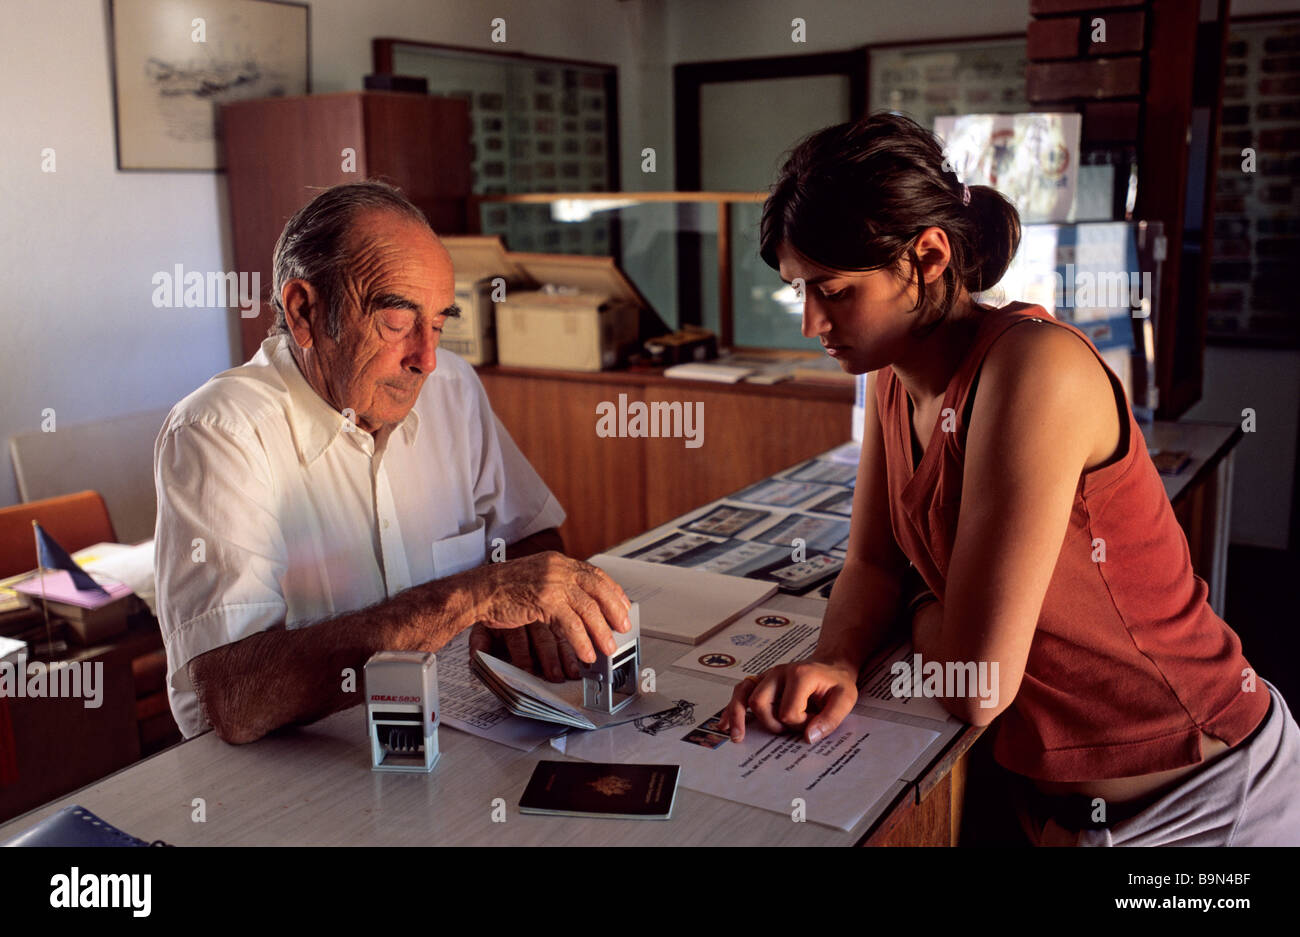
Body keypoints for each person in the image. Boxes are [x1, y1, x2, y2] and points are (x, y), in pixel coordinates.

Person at [718, 113, 1300, 846]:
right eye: (797, 291)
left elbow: (976, 685)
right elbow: (870, 566)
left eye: (832, 290)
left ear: (928, 255)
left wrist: (923, 601)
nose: (810, 322)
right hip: (1067, 812)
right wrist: (835, 658)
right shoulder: (895, 380)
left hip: (1208, 799)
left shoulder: (1033, 367)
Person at [154, 180, 630, 744]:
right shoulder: (220, 431)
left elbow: (528, 535)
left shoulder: (452, 386)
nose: (425, 359)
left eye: (439, 323)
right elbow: (237, 699)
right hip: (302, 782)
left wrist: (529, 617)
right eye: (397, 323)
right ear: (304, 312)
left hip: (461, 735)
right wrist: (473, 596)